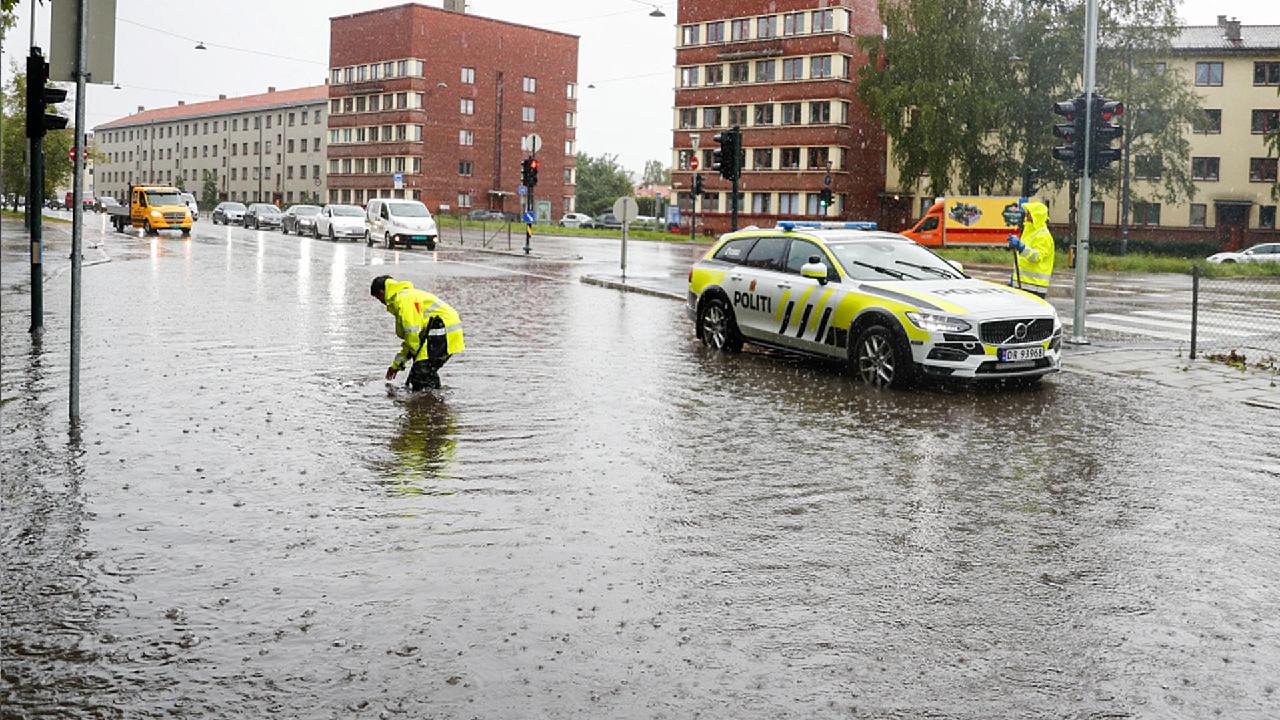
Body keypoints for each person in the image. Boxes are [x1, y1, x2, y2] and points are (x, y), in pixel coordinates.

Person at [370, 275, 465, 391]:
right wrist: (396, 365)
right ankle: (434, 397)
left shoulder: (403, 299)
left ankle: (429, 398)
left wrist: (413, 354)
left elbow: (412, 334)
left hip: (442, 330)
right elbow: (412, 339)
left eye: (378, 298)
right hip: (442, 332)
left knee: (421, 371)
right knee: (425, 370)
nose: (381, 302)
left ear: (381, 292)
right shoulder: (404, 297)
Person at [1006, 200, 1055, 298]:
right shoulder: (1029, 232)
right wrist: (1014, 278)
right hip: (1023, 283)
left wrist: (1021, 247)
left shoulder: (1043, 236)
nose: (1026, 216)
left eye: (1029, 214)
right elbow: (1023, 259)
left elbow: (1036, 256)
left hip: (1035, 286)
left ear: (1035, 216)